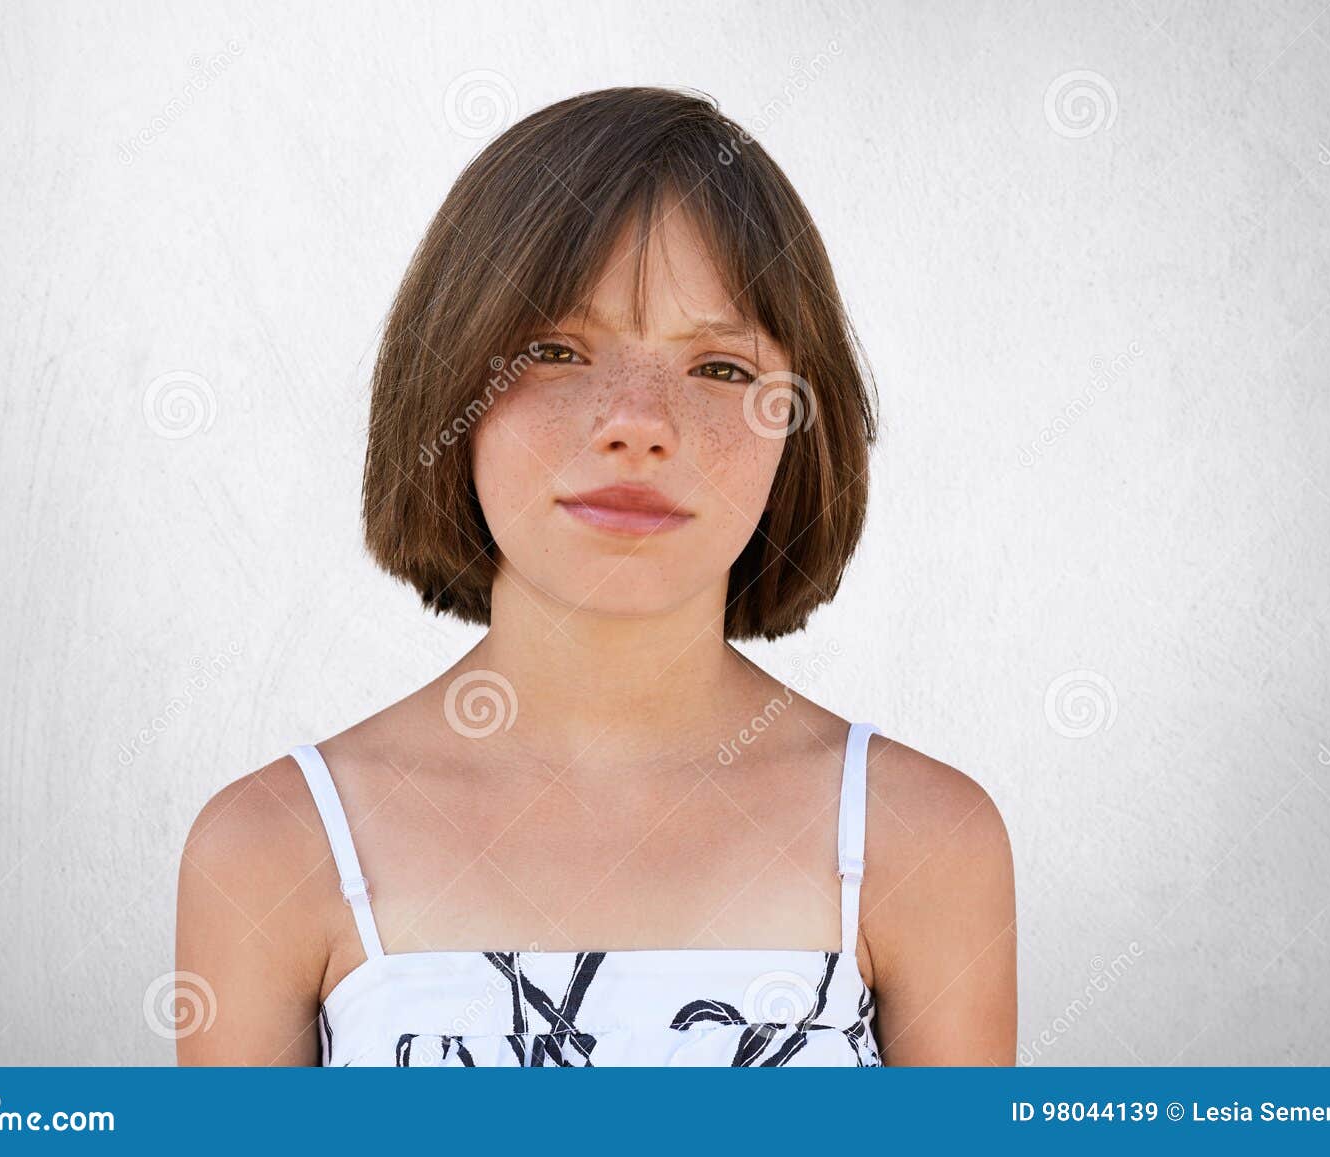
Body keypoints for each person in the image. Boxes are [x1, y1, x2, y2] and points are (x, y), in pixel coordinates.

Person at [176, 86, 1015, 1066]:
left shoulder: (925, 840)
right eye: (553, 349)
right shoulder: (268, 850)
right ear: (448, 386)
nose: (638, 421)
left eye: (720, 367)